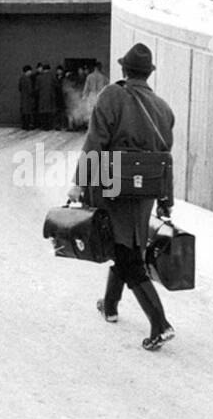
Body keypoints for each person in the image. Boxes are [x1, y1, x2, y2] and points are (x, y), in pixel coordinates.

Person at [69, 43, 177, 352]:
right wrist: (165, 199)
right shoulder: (163, 107)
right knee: (126, 246)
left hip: (113, 187)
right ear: (148, 73)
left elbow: (95, 142)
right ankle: (111, 305)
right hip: (143, 193)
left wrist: (79, 182)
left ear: (124, 70)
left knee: (128, 258)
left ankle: (160, 324)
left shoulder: (113, 96)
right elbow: (165, 158)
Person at [34, 60, 55, 130]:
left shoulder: (39, 77)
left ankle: (43, 126)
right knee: (49, 112)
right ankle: (49, 126)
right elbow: (56, 85)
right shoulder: (52, 76)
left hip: (41, 97)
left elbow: (36, 88)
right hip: (50, 97)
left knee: (43, 113)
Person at [17, 64, 36, 130]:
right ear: (27, 71)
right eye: (30, 71)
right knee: (28, 112)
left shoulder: (21, 78)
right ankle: (27, 126)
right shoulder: (28, 80)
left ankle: (24, 125)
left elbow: (19, 88)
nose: (31, 72)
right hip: (28, 98)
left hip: (23, 98)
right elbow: (30, 90)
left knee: (24, 112)